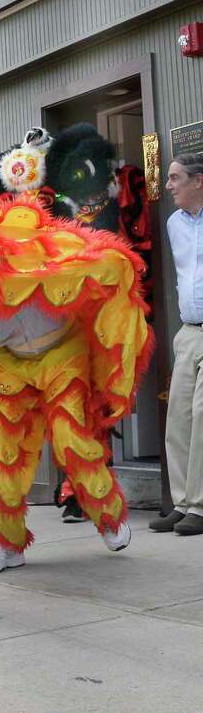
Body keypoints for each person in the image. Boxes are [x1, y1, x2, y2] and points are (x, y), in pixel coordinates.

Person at [152, 152, 203, 536]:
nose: (168, 186)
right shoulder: (173, 223)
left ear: (197, 181)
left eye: (174, 178)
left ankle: (199, 507)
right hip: (188, 331)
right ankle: (182, 502)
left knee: (201, 417)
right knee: (179, 418)